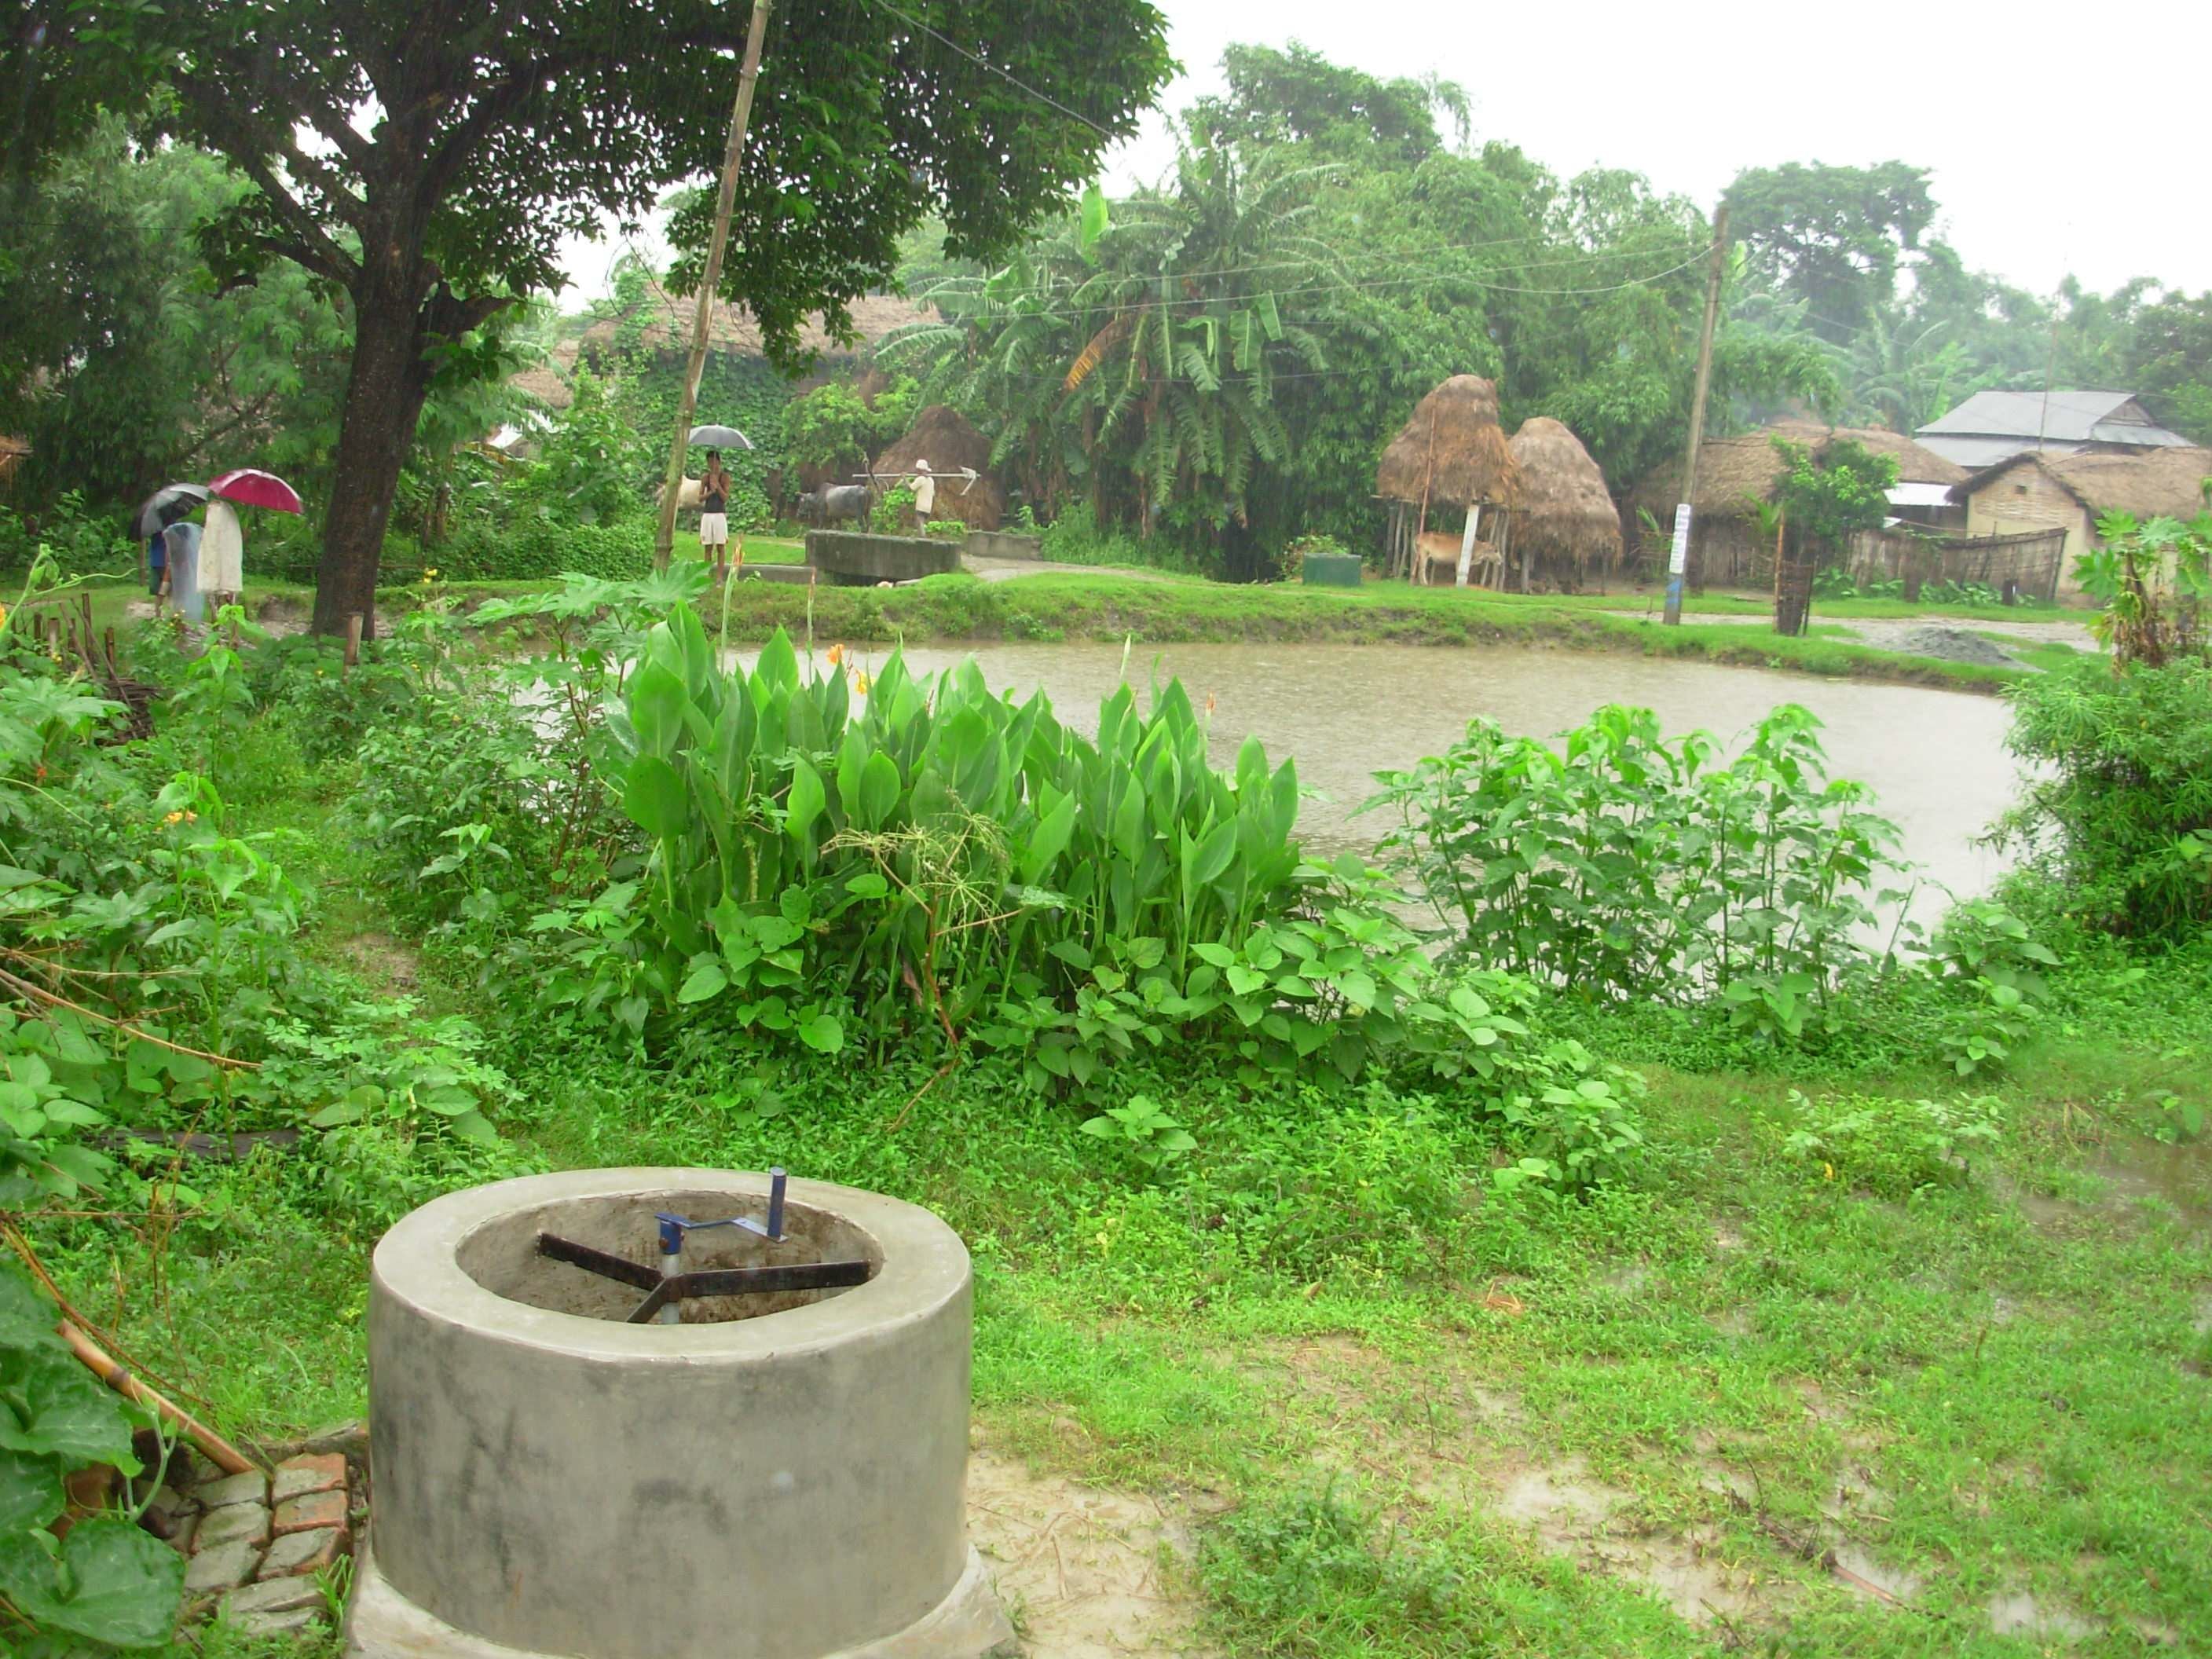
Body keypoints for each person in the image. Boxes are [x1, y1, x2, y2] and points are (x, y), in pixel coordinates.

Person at [200, 496, 244, 613]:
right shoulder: (224, 515)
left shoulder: (223, 514)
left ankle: (225, 622)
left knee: (226, 589)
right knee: (216, 589)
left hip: (221, 558)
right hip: (215, 557)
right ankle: (217, 620)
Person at [163, 517, 203, 624]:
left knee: (177, 595)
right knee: (175, 595)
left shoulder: (178, 546)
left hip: (179, 573)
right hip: (176, 572)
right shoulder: (178, 545)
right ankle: (178, 617)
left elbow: (169, 560)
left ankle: (178, 618)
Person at [698, 450, 731, 580]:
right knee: (708, 546)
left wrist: (718, 487)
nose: (712, 465)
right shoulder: (705, 478)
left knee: (720, 546)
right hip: (708, 514)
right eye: (709, 462)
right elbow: (700, 498)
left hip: (719, 514)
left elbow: (725, 498)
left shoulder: (725, 477)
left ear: (719, 462)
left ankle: (719, 577)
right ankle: (706, 574)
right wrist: (710, 492)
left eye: (714, 461)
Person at [145, 531, 169, 616]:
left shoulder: (155, 529)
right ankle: (160, 614)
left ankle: (159, 614)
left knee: (162, 591)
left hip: (160, 563)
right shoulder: (159, 530)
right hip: (160, 563)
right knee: (162, 590)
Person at [910, 458, 936, 526]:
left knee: (920, 525)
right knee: (920, 524)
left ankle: (923, 537)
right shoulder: (931, 480)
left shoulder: (920, 479)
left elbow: (911, 488)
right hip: (928, 507)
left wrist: (904, 479)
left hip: (921, 507)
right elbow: (933, 493)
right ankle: (921, 536)